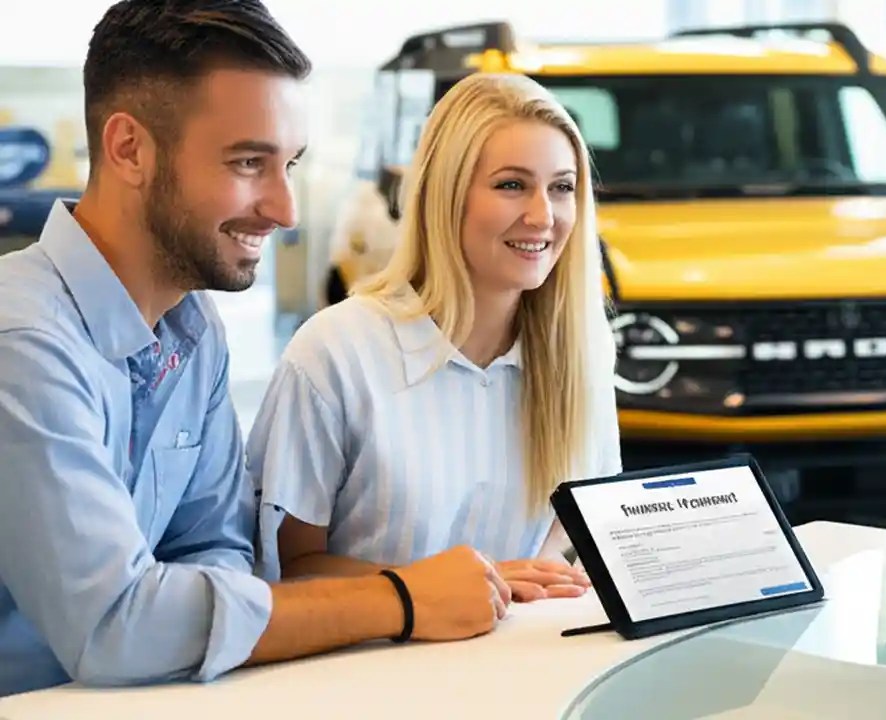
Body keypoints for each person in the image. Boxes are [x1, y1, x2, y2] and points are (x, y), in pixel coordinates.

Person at [0, 1, 510, 699]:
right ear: (129, 149)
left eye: (290, 165)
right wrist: (401, 600)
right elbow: (115, 626)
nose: (286, 208)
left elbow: (215, 551)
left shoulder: (192, 328)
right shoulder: (23, 341)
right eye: (248, 163)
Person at [246, 72, 618, 601]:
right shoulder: (336, 352)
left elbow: (572, 516)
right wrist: (448, 589)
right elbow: (286, 568)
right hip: (363, 669)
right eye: (511, 185)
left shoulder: (582, 350)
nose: (542, 216)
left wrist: (531, 571)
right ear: (446, 196)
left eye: (561, 187)